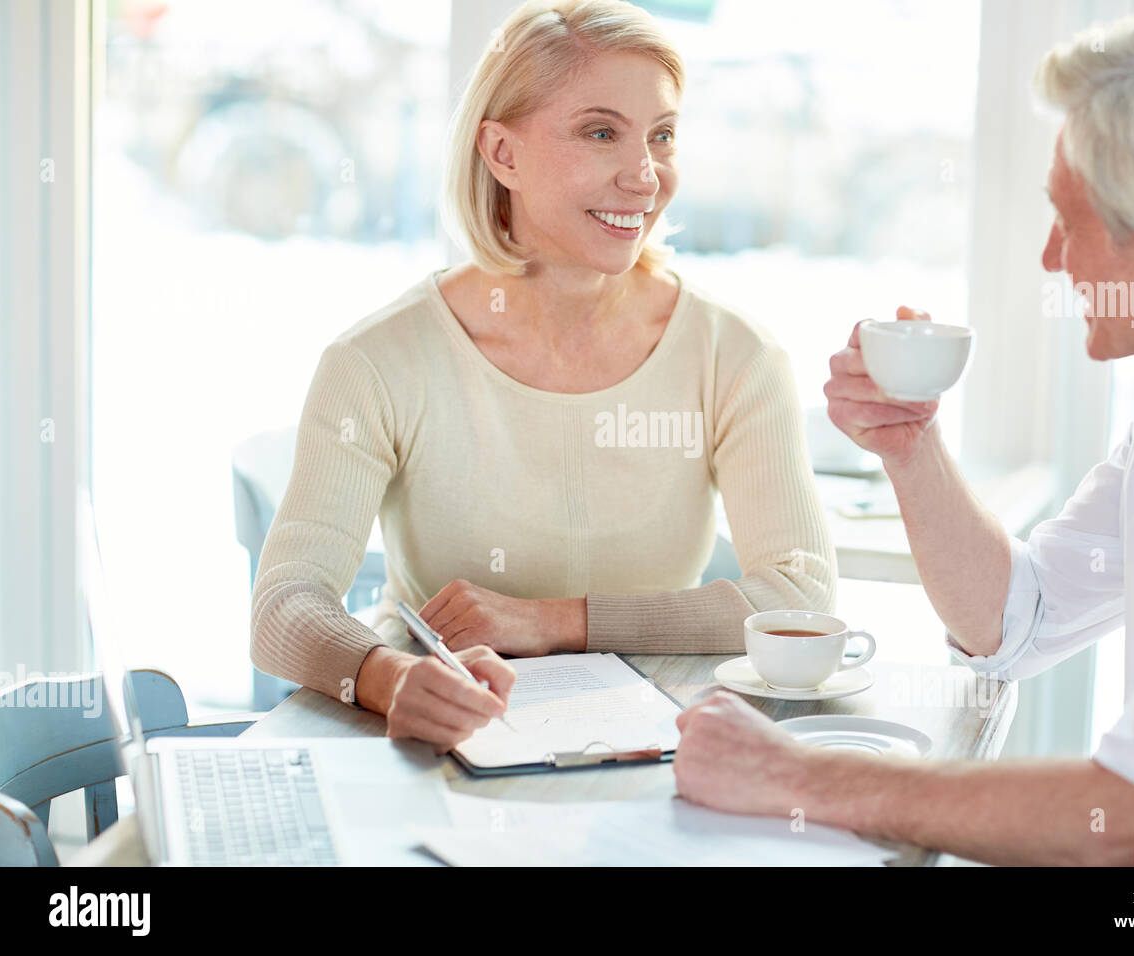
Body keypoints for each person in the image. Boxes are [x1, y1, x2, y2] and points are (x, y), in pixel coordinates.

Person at [673, 4, 1134, 866]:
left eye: (1069, 221)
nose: (1051, 258)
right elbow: (1018, 621)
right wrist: (909, 444)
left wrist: (793, 777)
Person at [250, 0, 835, 752]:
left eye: (661, 136)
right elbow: (283, 606)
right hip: (442, 746)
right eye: (600, 133)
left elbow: (801, 594)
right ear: (502, 154)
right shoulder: (377, 361)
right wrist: (388, 676)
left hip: (651, 749)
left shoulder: (736, 356)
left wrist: (554, 621)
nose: (645, 175)